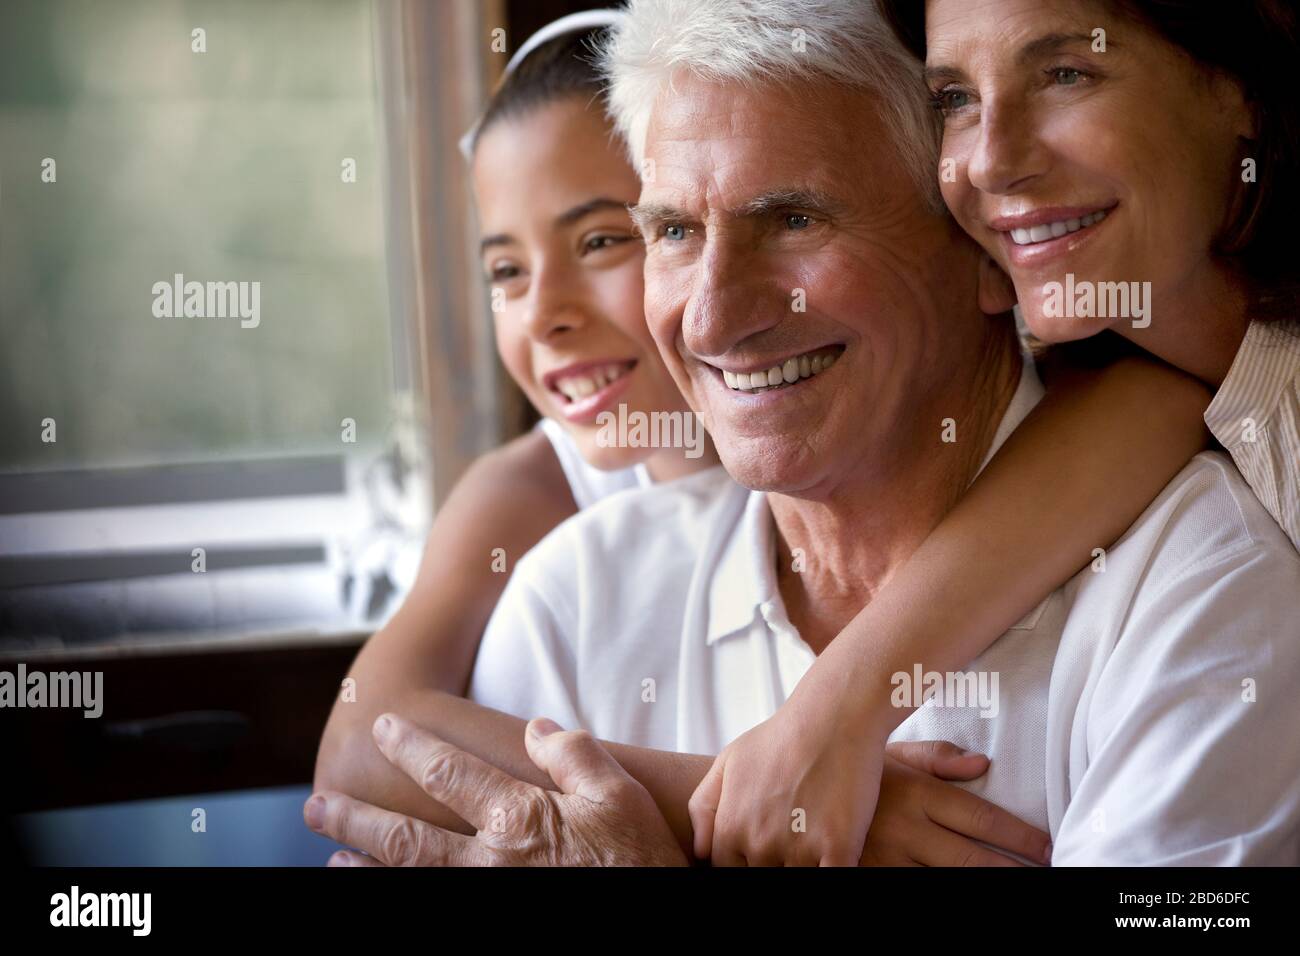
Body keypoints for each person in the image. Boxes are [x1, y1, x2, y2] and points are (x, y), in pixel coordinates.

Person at [308, 0, 1300, 867]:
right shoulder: (568, 597)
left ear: (982, 256)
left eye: (792, 220)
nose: (711, 321)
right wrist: (739, 800)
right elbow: (364, 750)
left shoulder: (1201, 576)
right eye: (672, 232)